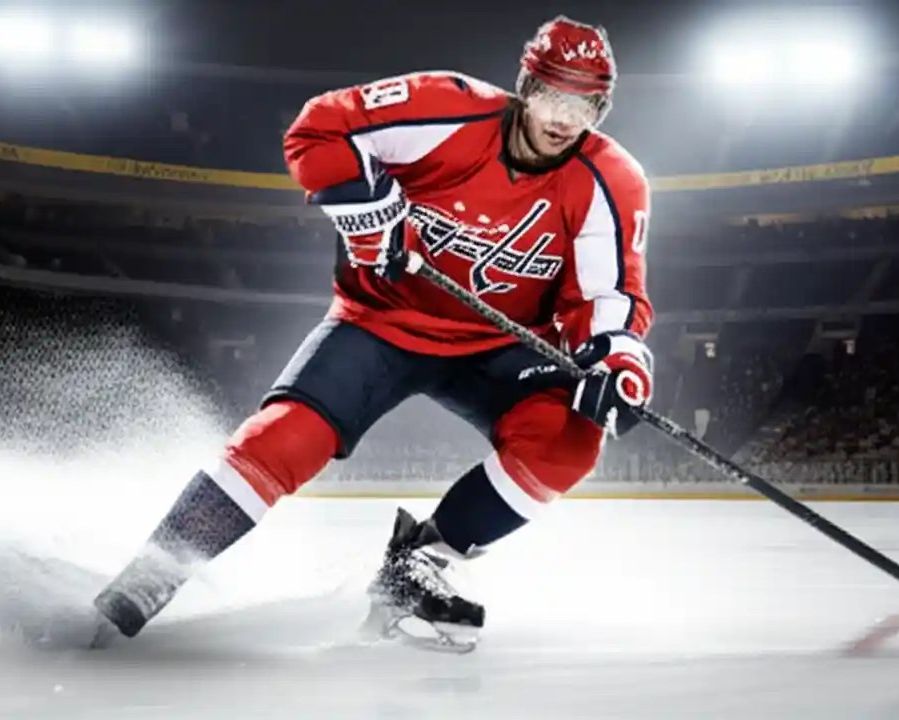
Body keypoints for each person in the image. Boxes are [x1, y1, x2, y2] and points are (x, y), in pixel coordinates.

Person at [93, 15, 655, 650]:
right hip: (380, 321)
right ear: (525, 83)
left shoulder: (614, 179)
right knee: (288, 436)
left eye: (585, 105)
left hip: (501, 344)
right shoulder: (448, 107)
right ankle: (148, 577)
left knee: (573, 439)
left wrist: (617, 360)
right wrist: (371, 210)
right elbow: (319, 127)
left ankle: (418, 565)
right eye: (553, 94)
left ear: (602, 109)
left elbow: (610, 293)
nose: (563, 118)